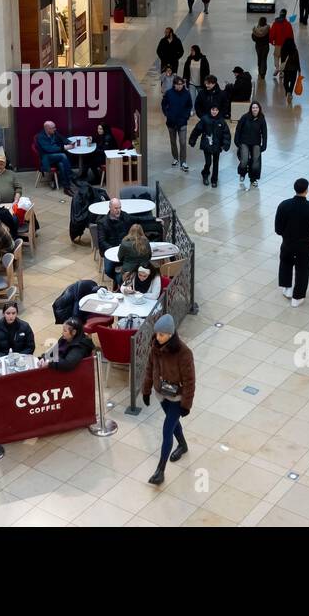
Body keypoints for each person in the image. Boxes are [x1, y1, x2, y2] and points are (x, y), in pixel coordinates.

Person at [140, 314, 195, 485]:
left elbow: (189, 381)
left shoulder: (184, 353)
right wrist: (146, 390)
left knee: (167, 430)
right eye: (157, 334)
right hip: (161, 393)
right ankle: (183, 445)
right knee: (173, 424)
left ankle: (160, 471)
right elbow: (150, 369)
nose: (158, 337)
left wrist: (186, 404)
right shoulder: (155, 347)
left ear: (171, 334)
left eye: (162, 335)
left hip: (177, 397)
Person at [275, 177, 309, 306]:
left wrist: (285, 234)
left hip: (288, 243)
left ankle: (287, 288)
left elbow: (278, 228)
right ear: (306, 190)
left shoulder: (284, 205)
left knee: (286, 263)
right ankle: (297, 297)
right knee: (302, 270)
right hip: (305, 245)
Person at [189, 103, 231, 188]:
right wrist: (192, 140)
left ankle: (214, 180)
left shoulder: (221, 121)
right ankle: (205, 174)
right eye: (213, 110)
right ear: (210, 110)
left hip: (217, 145)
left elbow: (226, 134)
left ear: (218, 111)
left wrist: (225, 144)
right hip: (207, 144)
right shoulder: (205, 119)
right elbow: (197, 130)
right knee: (208, 162)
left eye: (216, 110)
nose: (214, 112)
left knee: (216, 163)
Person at [162, 74, 193, 172]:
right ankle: (175, 158)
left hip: (182, 122)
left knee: (183, 142)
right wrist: (167, 114)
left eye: (181, 84)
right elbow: (164, 104)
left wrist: (186, 116)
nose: (179, 86)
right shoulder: (169, 93)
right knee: (173, 141)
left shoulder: (187, 94)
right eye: (178, 84)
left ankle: (183, 161)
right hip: (171, 122)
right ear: (174, 84)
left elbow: (189, 105)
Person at [34, 121, 75, 194]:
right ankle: (70, 175)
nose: (55, 129)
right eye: (53, 128)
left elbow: (62, 138)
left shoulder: (53, 133)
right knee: (63, 155)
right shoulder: (40, 137)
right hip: (47, 158)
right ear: (47, 129)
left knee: (62, 165)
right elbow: (49, 149)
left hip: (56, 156)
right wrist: (64, 148)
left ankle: (67, 187)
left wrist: (69, 142)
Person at [97, 198, 134, 277]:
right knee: (108, 270)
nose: (118, 210)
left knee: (133, 266)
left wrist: (153, 219)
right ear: (110, 208)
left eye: (120, 208)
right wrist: (113, 250)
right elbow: (102, 241)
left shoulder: (124, 216)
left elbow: (138, 220)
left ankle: (120, 281)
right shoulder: (102, 222)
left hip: (125, 249)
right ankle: (118, 280)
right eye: (116, 208)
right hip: (110, 251)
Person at [234, 101, 268, 189]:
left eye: (256, 107)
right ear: (251, 109)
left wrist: (264, 145)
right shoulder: (244, 117)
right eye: (253, 107)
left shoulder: (261, 119)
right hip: (244, 142)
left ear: (259, 109)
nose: (255, 109)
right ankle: (242, 173)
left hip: (256, 142)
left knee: (255, 161)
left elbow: (264, 133)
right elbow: (238, 130)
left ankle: (253, 178)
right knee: (244, 159)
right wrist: (237, 141)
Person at [268, 9, 294, 78]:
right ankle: (281, 72)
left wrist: (271, 40)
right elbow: (291, 35)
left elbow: (272, 33)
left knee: (276, 57)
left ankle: (277, 68)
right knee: (284, 59)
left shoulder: (275, 23)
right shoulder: (288, 24)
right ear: (285, 15)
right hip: (286, 45)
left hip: (278, 44)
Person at [281, 37, 302, 101]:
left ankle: (287, 92)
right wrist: (299, 70)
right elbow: (297, 60)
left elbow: (282, 60)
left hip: (286, 69)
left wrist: (282, 69)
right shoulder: (295, 51)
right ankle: (290, 92)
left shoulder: (283, 50)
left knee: (285, 82)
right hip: (294, 69)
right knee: (292, 82)